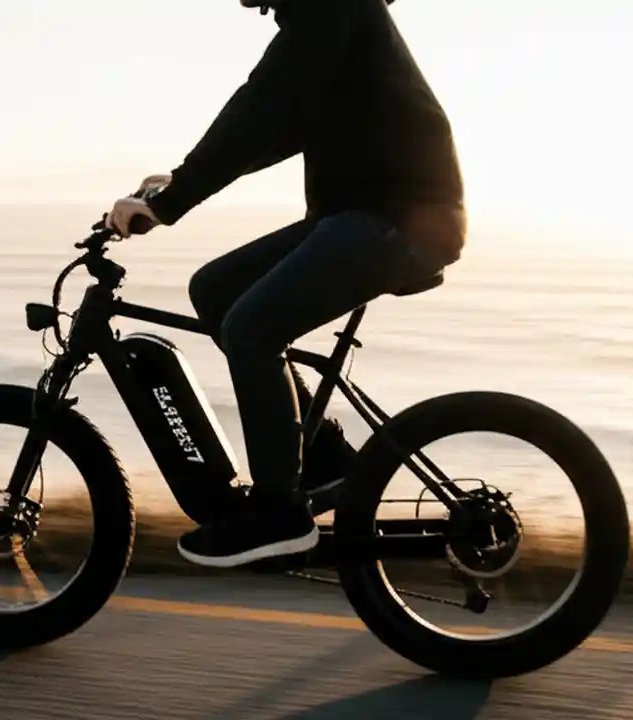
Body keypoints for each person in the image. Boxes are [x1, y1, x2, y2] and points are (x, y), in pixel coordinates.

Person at [104, 0, 467, 568]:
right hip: (359, 214)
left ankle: (278, 512)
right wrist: (179, 180)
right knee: (216, 291)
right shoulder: (321, 19)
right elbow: (280, 123)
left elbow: (261, 106)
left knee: (252, 328)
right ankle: (323, 458)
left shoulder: (328, 5)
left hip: (396, 220)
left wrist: (175, 201)